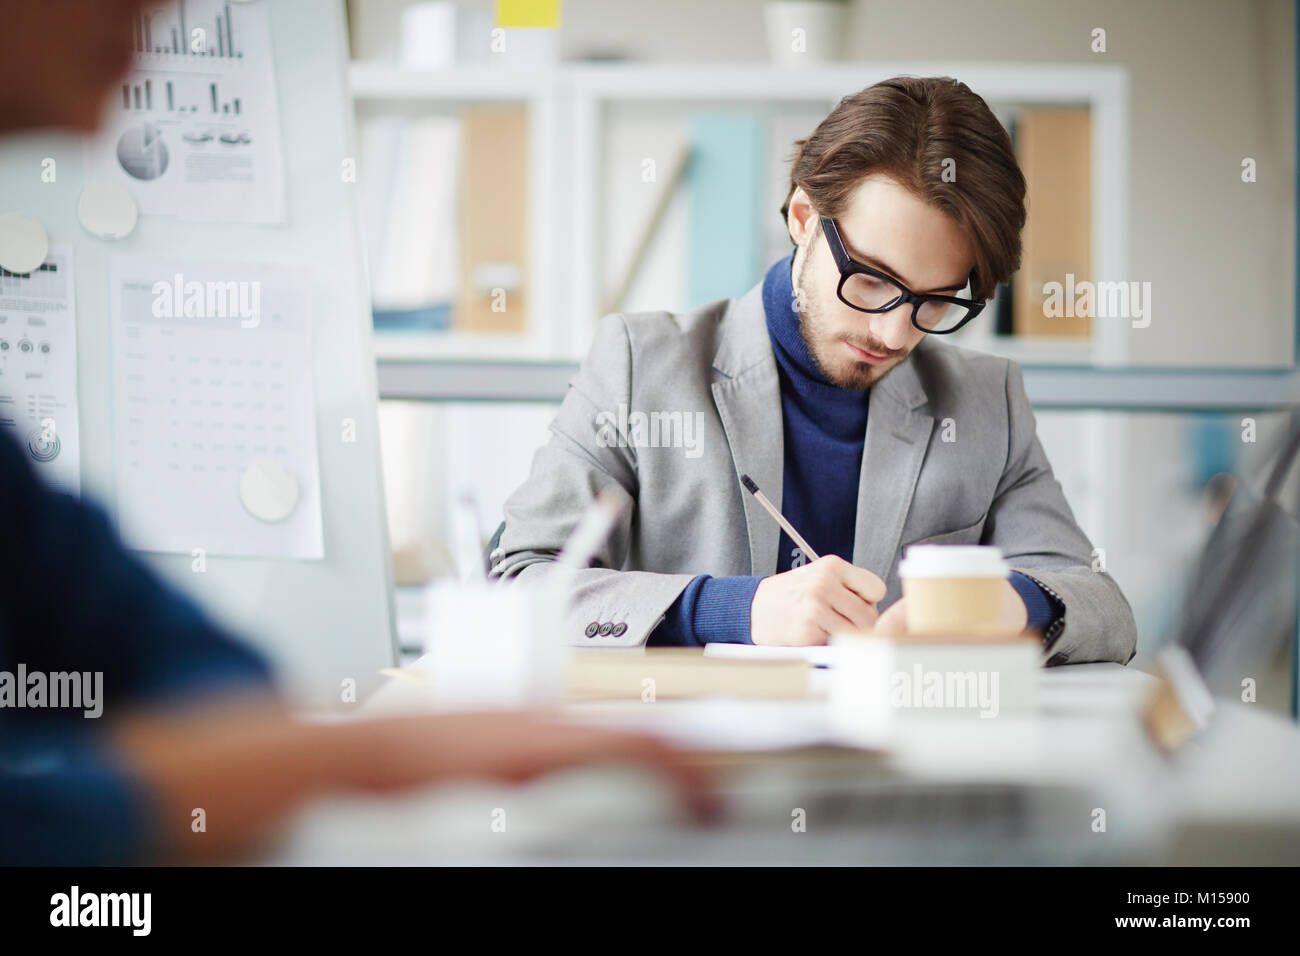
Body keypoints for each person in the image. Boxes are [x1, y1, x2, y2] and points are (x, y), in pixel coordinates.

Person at [0, 0, 712, 866]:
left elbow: (204, 673)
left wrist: (237, 763)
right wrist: (376, 752)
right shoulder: (648, 353)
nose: (160, 12)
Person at [492, 77, 1137, 665]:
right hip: (691, 774)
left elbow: (1102, 607)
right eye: (872, 280)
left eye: (935, 301)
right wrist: (734, 609)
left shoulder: (984, 399)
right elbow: (516, 588)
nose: (894, 333)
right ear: (803, 218)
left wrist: (1012, 603)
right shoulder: (640, 364)